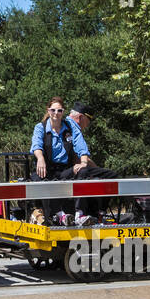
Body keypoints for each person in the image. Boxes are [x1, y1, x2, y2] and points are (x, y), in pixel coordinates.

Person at [30, 97, 112, 226]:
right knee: (42, 180)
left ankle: (80, 214)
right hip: (47, 170)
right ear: (48, 111)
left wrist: (83, 162)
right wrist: (40, 158)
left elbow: (81, 147)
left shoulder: (70, 127)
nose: (56, 113)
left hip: (64, 170)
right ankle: (59, 215)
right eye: (53, 110)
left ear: (63, 112)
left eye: (59, 110)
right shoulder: (40, 127)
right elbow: (36, 146)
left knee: (83, 171)